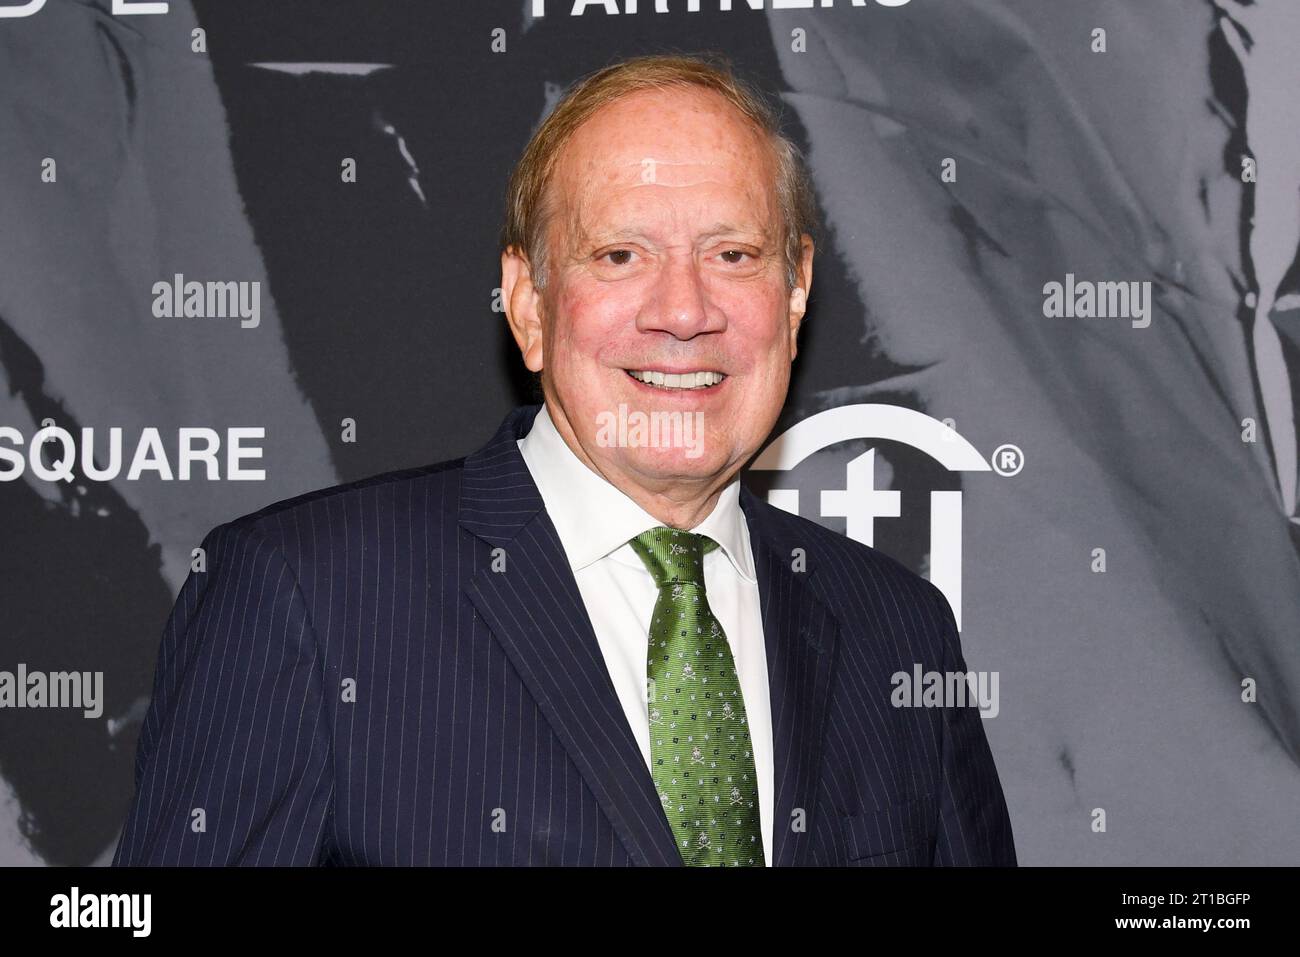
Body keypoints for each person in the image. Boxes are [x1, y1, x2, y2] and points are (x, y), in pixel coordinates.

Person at [112, 53, 1015, 867]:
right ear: (529, 304)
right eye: (621, 255)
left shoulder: (898, 632)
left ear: (796, 291)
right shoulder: (305, 599)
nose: (684, 309)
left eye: (732, 254)